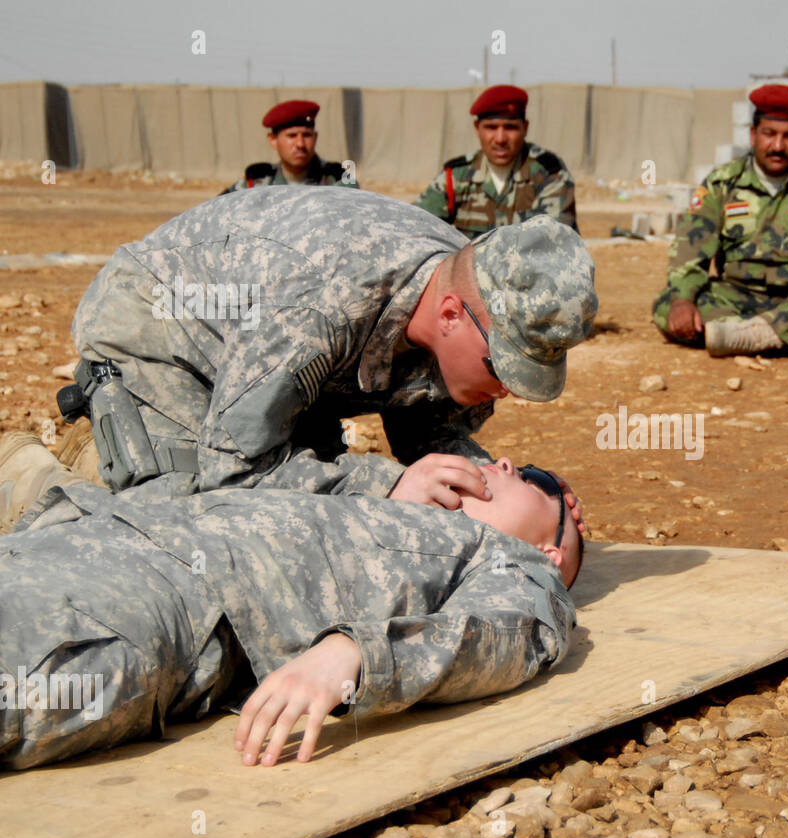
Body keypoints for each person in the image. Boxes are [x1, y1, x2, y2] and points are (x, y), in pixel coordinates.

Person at [0, 440, 583, 771]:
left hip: (164, 604)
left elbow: (507, 631)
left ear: (551, 552)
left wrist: (349, 652)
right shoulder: (391, 496)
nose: (505, 462)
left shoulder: (510, 561)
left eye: (536, 478)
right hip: (86, 532)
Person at [40, 188, 594, 532]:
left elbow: (431, 437)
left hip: (262, 354)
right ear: (450, 316)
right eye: (501, 369)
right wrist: (386, 488)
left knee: (317, 496)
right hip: (161, 322)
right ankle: (39, 471)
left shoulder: (462, 297)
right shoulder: (322, 299)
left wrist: (522, 490)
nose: (506, 392)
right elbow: (233, 470)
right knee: (186, 519)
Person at [651, 84, 788, 357]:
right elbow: (691, 247)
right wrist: (683, 300)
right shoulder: (723, 182)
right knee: (668, 302)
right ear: (753, 134)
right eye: (769, 134)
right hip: (735, 297)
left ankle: (755, 335)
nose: (778, 146)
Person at [414, 85, 578, 238]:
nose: (500, 139)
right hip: (469, 268)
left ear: (525, 128)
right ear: (477, 128)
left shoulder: (549, 173)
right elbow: (415, 226)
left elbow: (553, 241)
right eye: (491, 127)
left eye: (510, 127)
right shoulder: (456, 177)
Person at [220, 100, 359, 195]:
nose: (300, 144)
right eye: (292, 136)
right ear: (273, 140)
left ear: (315, 138)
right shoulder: (255, 182)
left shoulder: (339, 181)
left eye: (306, 135)